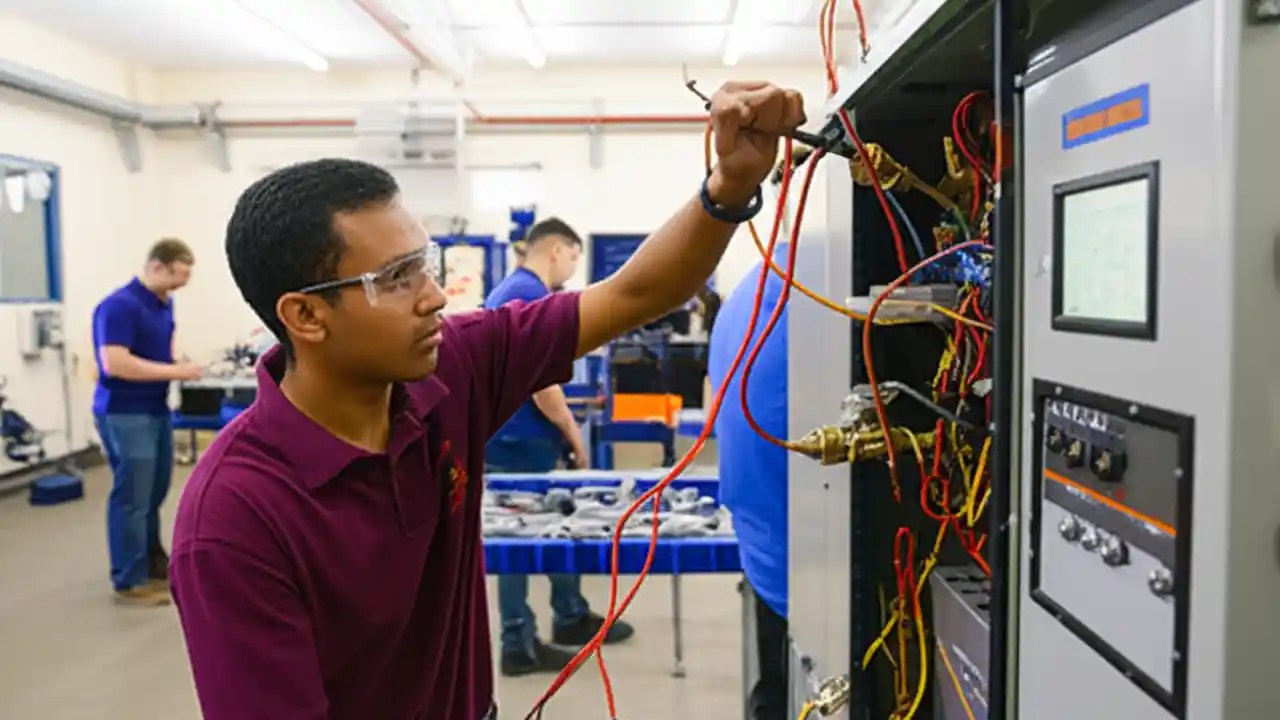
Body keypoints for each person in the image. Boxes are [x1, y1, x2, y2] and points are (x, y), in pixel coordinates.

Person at [169, 81, 805, 720]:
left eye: (426, 264)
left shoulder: (453, 365)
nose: (434, 297)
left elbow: (634, 295)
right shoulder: (233, 521)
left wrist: (727, 189)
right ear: (306, 315)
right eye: (396, 279)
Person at [483, 217, 634, 677]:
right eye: (573, 256)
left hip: (519, 436)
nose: (573, 265)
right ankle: (517, 642)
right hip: (519, 439)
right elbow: (541, 381)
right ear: (555, 251)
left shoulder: (515, 291)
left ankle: (569, 616)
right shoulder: (525, 295)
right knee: (519, 536)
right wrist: (572, 432)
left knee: (551, 525)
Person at [92, 238, 203, 607]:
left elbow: (160, 348)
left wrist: (179, 362)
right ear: (157, 266)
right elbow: (115, 364)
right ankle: (129, 578)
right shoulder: (118, 307)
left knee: (153, 493)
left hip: (155, 409)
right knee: (132, 497)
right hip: (124, 411)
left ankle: (154, 564)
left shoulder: (163, 304)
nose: (180, 286)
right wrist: (176, 371)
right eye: (177, 278)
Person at [708, 243, 790, 720]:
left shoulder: (749, 291)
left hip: (764, 543)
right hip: (802, 557)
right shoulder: (822, 295)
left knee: (776, 687)